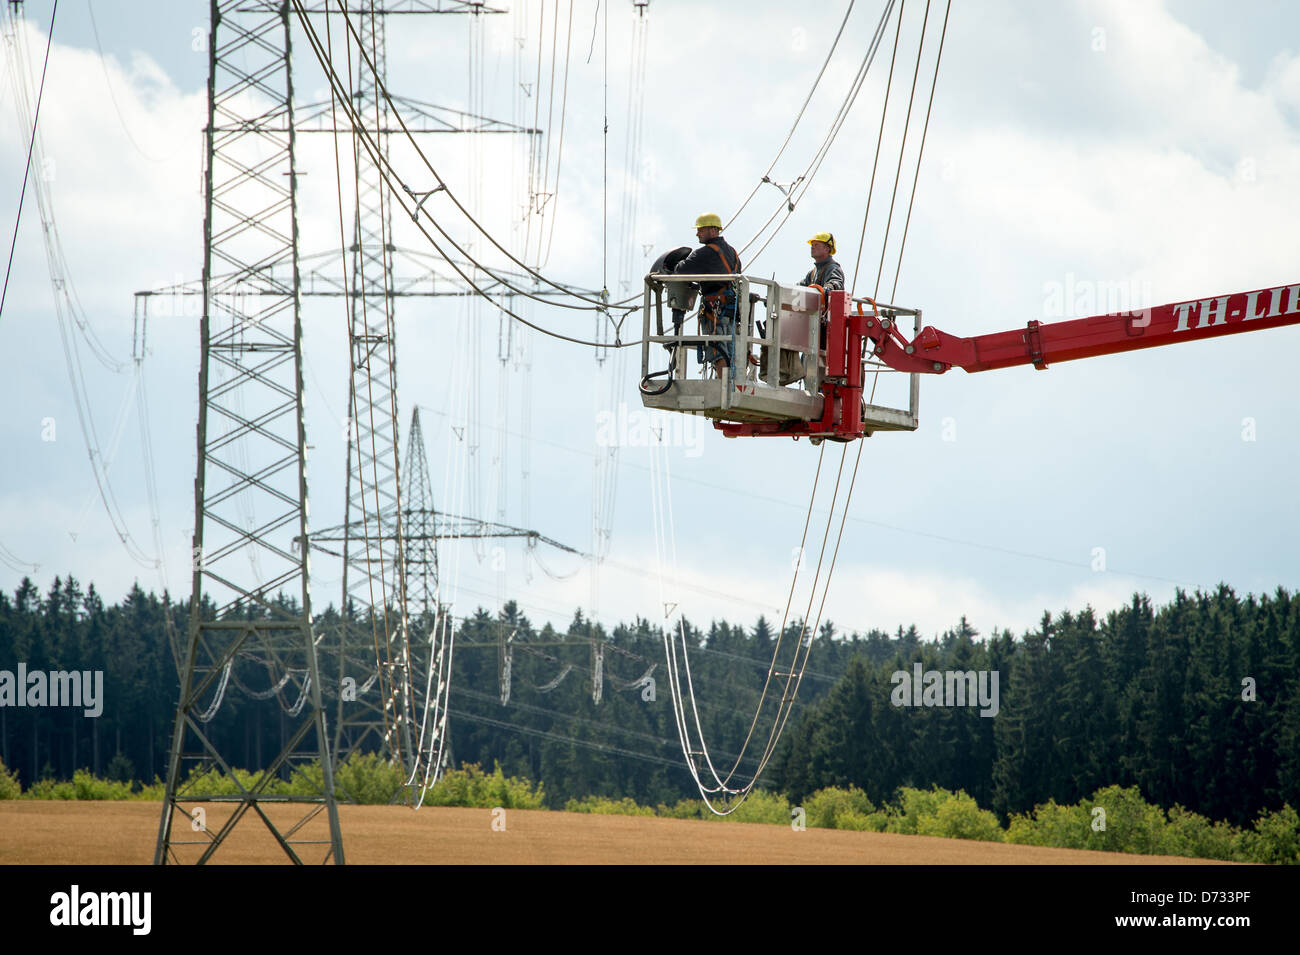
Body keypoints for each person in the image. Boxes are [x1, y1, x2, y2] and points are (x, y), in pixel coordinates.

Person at [673, 213, 742, 378]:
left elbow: (681, 269)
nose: (697, 234)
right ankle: (730, 384)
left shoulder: (706, 252)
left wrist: (675, 263)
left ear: (713, 230)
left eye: (701, 230)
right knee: (729, 350)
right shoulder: (733, 253)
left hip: (715, 308)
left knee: (717, 350)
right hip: (731, 309)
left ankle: (723, 387)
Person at [800, 232, 845, 298]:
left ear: (827, 248)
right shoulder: (812, 273)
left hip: (827, 308)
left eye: (816, 245)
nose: (812, 247)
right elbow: (800, 287)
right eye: (812, 245)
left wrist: (829, 288)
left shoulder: (833, 268)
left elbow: (836, 283)